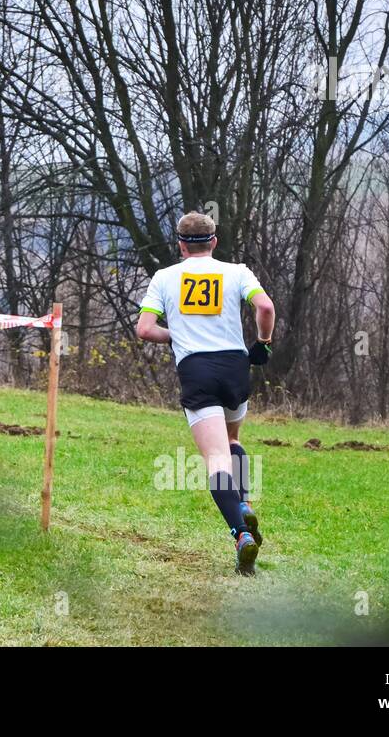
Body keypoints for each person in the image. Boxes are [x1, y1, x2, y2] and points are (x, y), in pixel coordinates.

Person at [135, 211, 276, 575]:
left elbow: (145, 329)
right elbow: (265, 307)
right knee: (232, 440)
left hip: (197, 370)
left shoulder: (164, 278)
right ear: (213, 242)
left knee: (215, 460)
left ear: (181, 245)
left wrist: (176, 334)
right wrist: (263, 343)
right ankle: (243, 503)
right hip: (235, 368)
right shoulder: (238, 272)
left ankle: (241, 534)